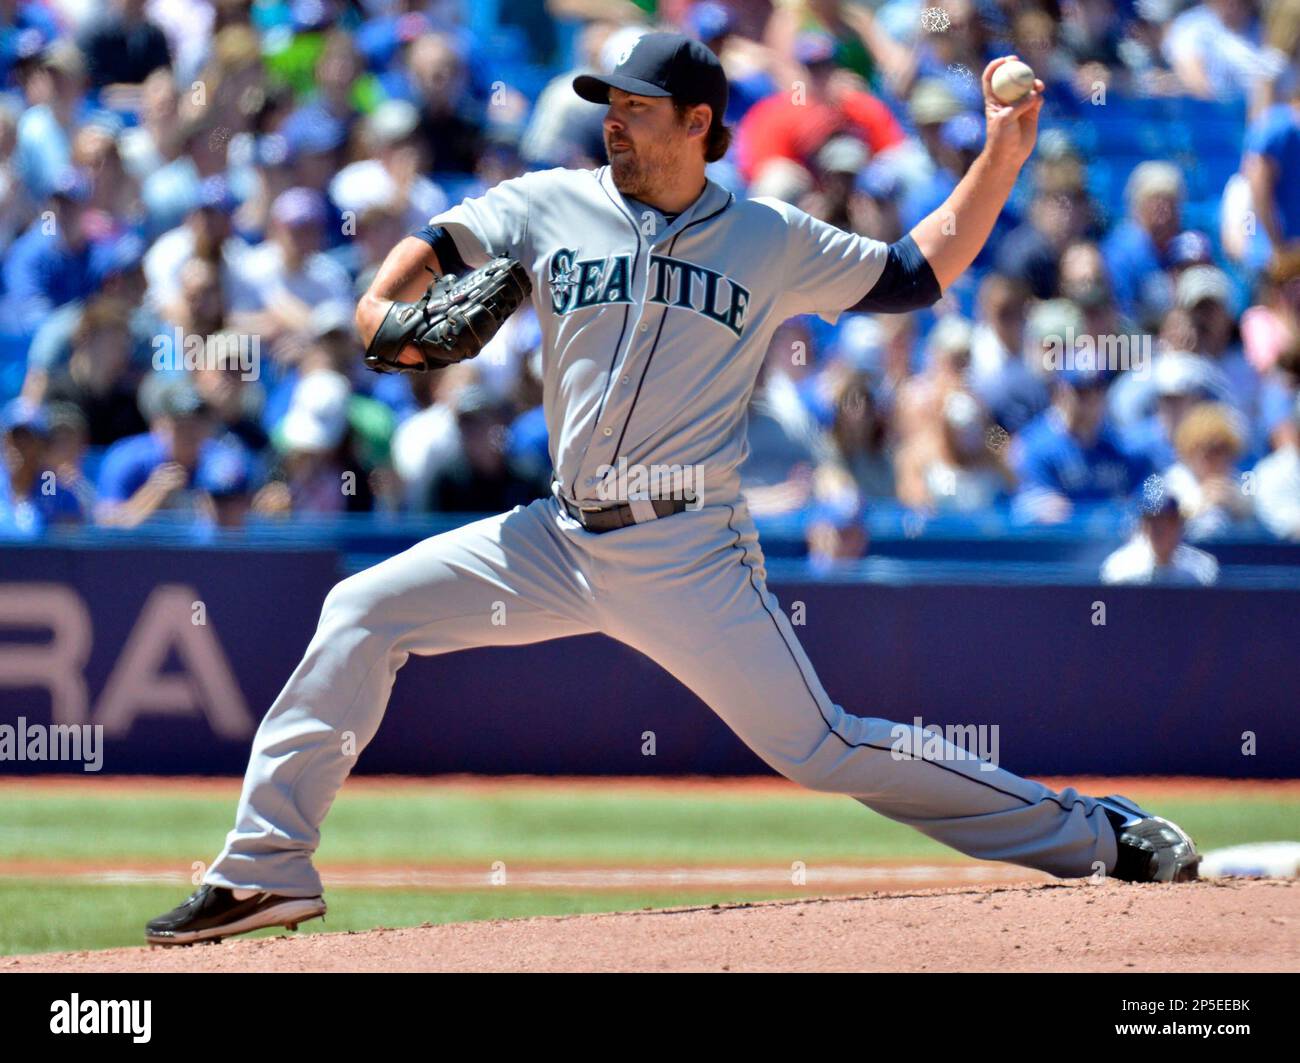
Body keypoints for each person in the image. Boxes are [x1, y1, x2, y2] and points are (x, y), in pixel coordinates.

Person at [146, 37, 1199, 947]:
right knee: (360, 609)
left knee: (824, 747)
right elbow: (419, 265)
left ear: (699, 123)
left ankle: (1090, 832)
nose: (612, 121)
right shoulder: (545, 203)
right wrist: (387, 317)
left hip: (687, 548)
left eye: (636, 108)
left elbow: (918, 270)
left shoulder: (767, 237)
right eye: (607, 104)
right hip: (554, 537)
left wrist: (1001, 153)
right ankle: (267, 866)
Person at [1100, 476, 1220, 586]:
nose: (1161, 529)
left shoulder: (1201, 567)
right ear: (1143, 526)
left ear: (1180, 525)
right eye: (1154, 522)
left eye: (1169, 521)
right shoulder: (1120, 566)